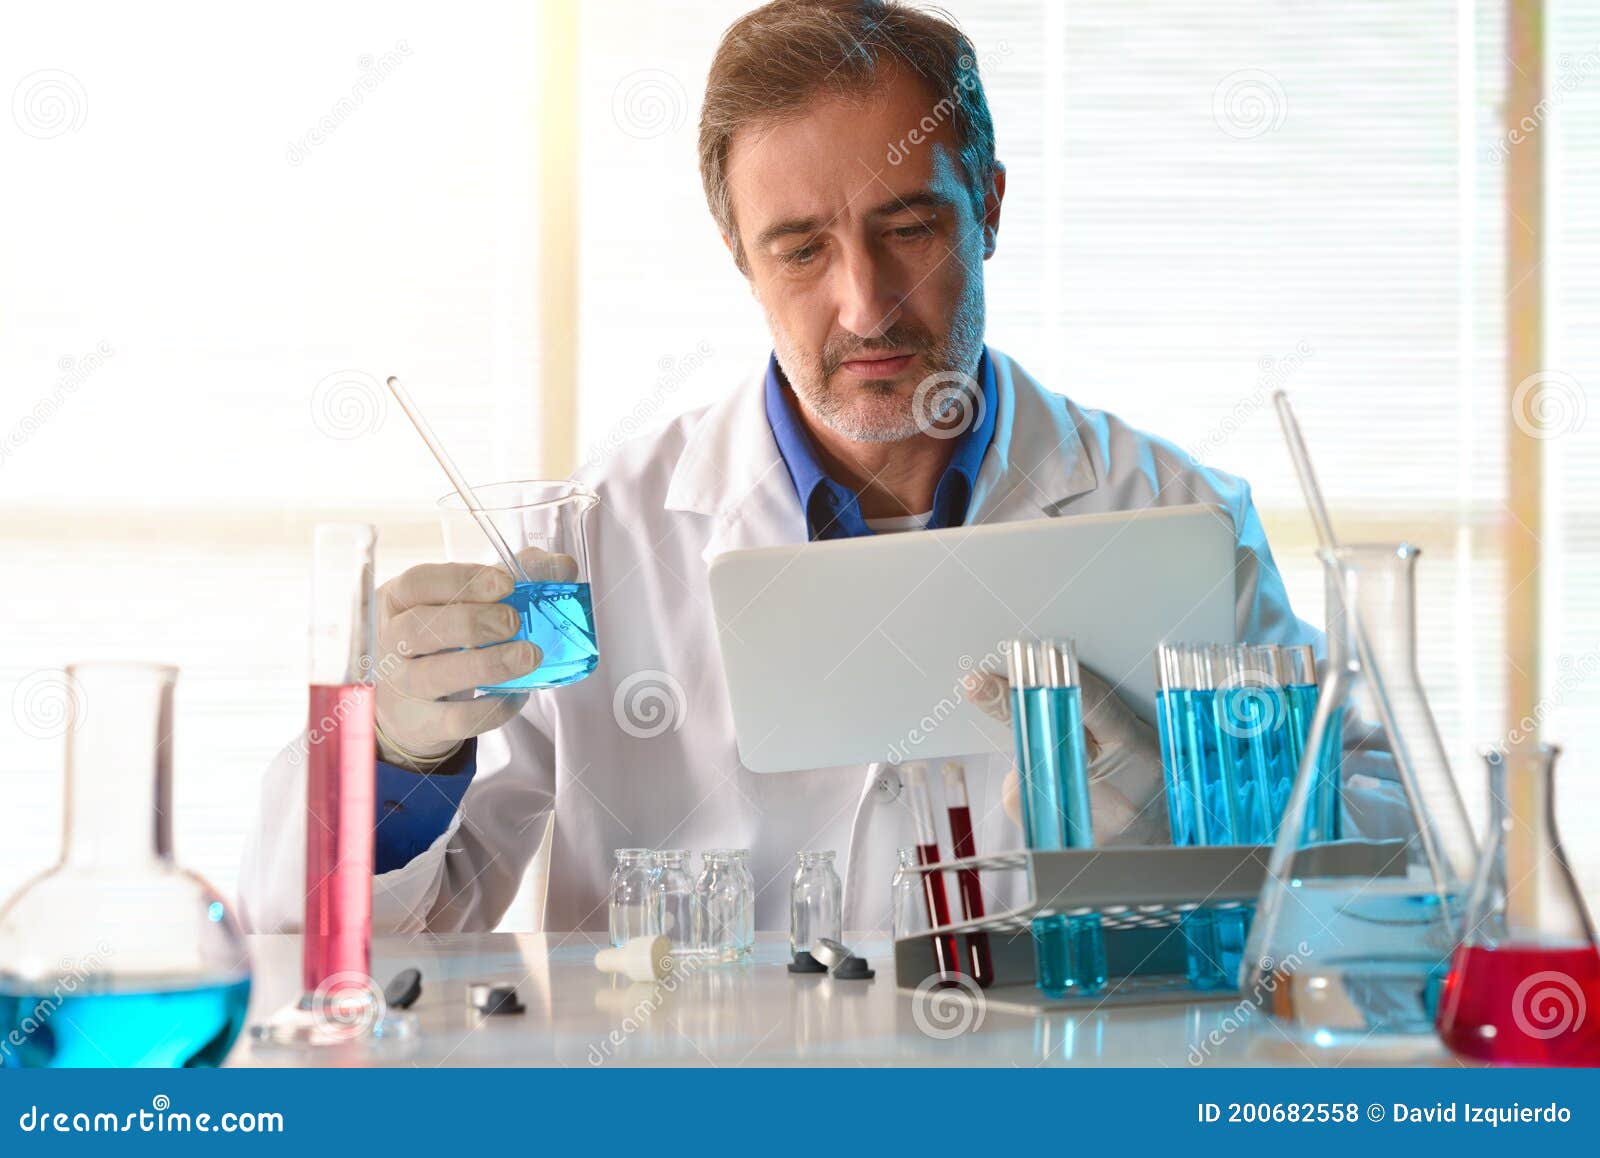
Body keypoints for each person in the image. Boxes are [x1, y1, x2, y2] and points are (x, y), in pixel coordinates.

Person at [240, 0, 1316, 935]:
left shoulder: (1176, 515)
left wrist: (1218, 827)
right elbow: (324, 941)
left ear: (988, 205)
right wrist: (397, 756)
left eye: (908, 226)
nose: (865, 305)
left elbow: (1364, 868)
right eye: (801, 250)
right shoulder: (589, 546)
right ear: (738, 255)